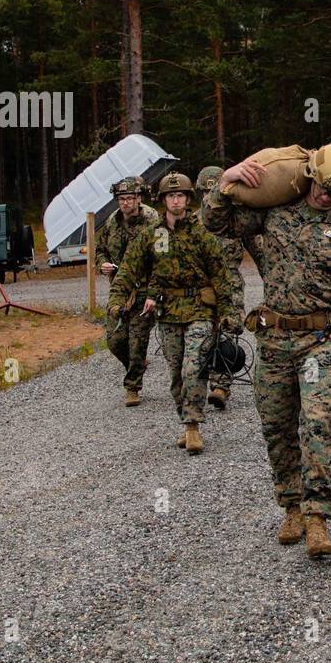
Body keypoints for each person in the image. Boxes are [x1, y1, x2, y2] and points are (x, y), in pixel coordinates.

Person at [204, 143, 331, 559]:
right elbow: (215, 223)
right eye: (321, 187)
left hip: (323, 342)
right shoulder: (273, 213)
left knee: (318, 422)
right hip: (273, 339)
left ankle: (318, 515)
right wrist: (226, 180)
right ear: (310, 178)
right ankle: (291, 506)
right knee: (278, 426)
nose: (325, 196)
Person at [108, 173, 240, 454]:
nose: (176, 200)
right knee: (177, 373)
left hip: (199, 311)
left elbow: (220, 275)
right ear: (163, 200)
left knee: (195, 367)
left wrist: (228, 312)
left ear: (188, 199)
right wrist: (117, 299)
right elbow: (129, 269)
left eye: (180, 195)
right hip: (167, 313)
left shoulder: (201, 234)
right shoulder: (152, 235)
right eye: (171, 196)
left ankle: (193, 427)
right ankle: (186, 420)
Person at [95, 176, 161, 406]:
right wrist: (102, 264)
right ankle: (136, 366)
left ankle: (132, 387)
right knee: (115, 341)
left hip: (144, 288)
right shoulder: (112, 222)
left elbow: (163, 257)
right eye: (121, 199)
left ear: (139, 198)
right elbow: (100, 250)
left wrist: (155, 291)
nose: (125, 203)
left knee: (137, 341)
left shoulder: (153, 220)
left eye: (129, 198)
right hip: (120, 289)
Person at [193, 166, 248, 410]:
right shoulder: (192, 222)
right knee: (202, 335)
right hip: (200, 287)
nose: (209, 197)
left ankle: (221, 386)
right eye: (206, 192)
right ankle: (198, 383)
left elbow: (260, 251)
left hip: (230, 285)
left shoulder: (236, 220)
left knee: (228, 331)